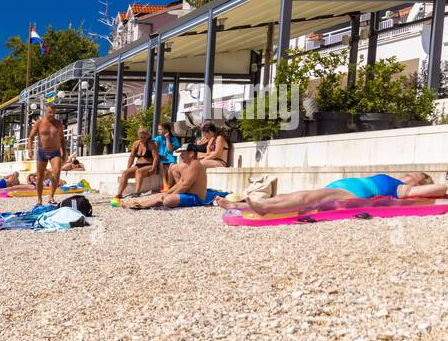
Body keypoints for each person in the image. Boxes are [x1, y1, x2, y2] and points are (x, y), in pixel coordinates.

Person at [215, 172, 447, 216]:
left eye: (414, 175)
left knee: (306, 199)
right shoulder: (397, 180)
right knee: (295, 194)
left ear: (421, 182)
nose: (408, 175)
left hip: (349, 193)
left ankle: (263, 208)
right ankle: (245, 206)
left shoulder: (403, 189)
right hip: (340, 186)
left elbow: (439, 189)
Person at [122, 143, 218, 208]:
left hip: (196, 198)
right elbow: (180, 183)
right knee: (163, 196)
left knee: (167, 200)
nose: (180, 155)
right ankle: (139, 205)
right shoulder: (189, 165)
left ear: (191, 154)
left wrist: (171, 194)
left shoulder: (195, 164)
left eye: (183, 153)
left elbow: (185, 185)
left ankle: (140, 205)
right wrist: (168, 192)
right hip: (189, 195)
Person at [27, 104, 67, 205]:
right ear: (45, 111)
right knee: (40, 176)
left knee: (57, 172)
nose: (52, 114)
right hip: (42, 152)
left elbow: (62, 139)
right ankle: (39, 199)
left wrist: (64, 152)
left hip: (55, 152)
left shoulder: (58, 124)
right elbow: (30, 137)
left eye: (54, 113)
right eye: (50, 112)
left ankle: (51, 197)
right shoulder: (39, 123)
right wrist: (30, 149)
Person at [115, 127, 158, 199]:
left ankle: (137, 192)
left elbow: (156, 157)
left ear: (148, 136)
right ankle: (119, 194)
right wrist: (128, 168)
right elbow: (131, 156)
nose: (143, 139)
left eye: (144, 137)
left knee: (139, 171)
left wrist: (153, 168)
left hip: (149, 165)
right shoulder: (136, 144)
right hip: (138, 165)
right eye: (141, 137)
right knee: (125, 173)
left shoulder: (151, 144)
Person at [155, 121, 181, 187]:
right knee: (162, 165)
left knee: (171, 168)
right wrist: (159, 155)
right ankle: (165, 184)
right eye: (158, 129)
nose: (158, 131)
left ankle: (169, 185)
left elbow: (170, 149)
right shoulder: (157, 138)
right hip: (160, 158)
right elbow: (154, 149)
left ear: (166, 130)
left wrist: (167, 138)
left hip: (170, 158)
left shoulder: (173, 139)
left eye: (160, 129)